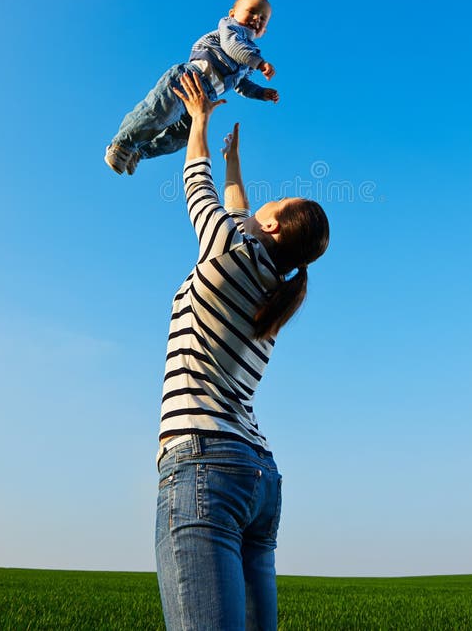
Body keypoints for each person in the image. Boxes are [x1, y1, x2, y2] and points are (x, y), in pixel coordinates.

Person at [155, 72, 329, 631]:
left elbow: (197, 188)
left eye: (271, 204)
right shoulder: (274, 288)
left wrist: (199, 123)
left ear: (271, 227)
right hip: (257, 477)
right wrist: (236, 163)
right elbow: (236, 207)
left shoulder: (233, 251)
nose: (259, 205)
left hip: (205, 464)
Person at [104, 0, 279, 175]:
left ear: (264, 31)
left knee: (182, 136)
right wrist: (259, 63)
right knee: (159, 113)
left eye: (262, 18)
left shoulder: (249, 55)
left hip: (204, 97)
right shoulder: (230, 28)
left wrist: (260, 92)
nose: (256, 18)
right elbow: (232, 47)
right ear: (232, 13)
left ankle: (139, 152)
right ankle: (122, 144)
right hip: (189, 77)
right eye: (251, 11)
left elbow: (241, 84)